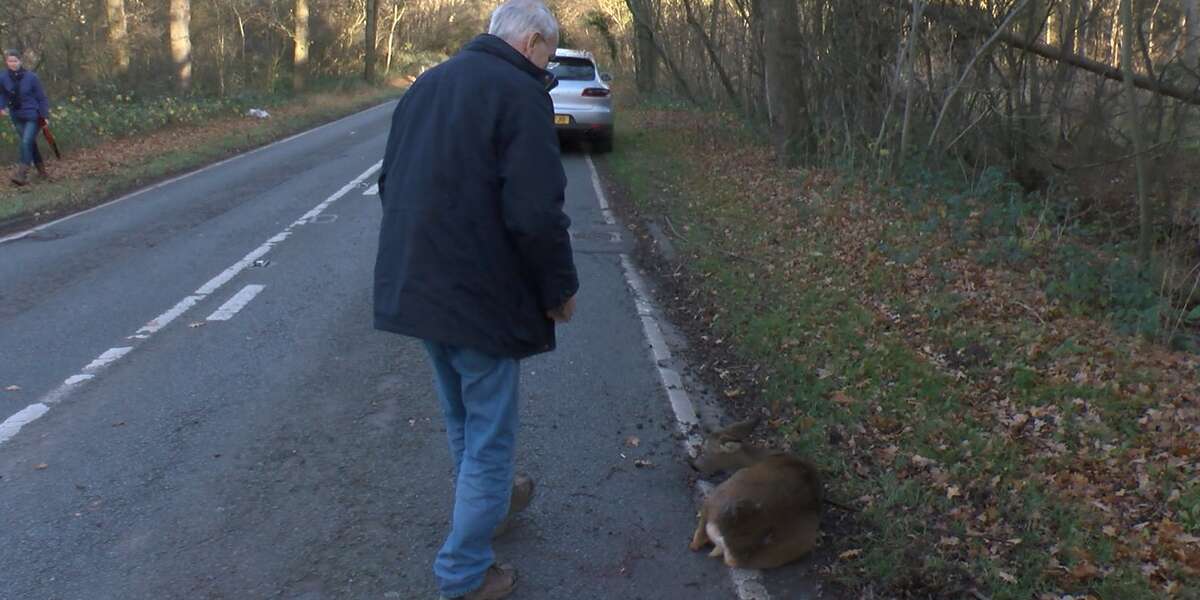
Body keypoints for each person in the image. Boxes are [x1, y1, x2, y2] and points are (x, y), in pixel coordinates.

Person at [372, 1, 578, 598]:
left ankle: (490, 513)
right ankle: (464, 574)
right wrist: (558, 288)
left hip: (419, 288)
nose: (547, 67)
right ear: (533, 41)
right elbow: (537, 214)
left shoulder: (427, 85)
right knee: (490, 438)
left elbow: (391, 183)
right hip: (480, 296)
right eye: (547, 55)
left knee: (462, 420)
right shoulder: (519, 93)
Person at [0, 50, 50, 186]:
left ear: (20, 61)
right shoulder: (3, 77)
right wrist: (1, 107)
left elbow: (41, 98)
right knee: (29, 143)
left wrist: (44, 115)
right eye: (10, 61)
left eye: (15, 61)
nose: (13, 63)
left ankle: (22, 173)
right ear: (7, 62)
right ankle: (42, 172)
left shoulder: (31, 77)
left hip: (33, 114)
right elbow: (3, 94)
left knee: (26, 141)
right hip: (16, 115)